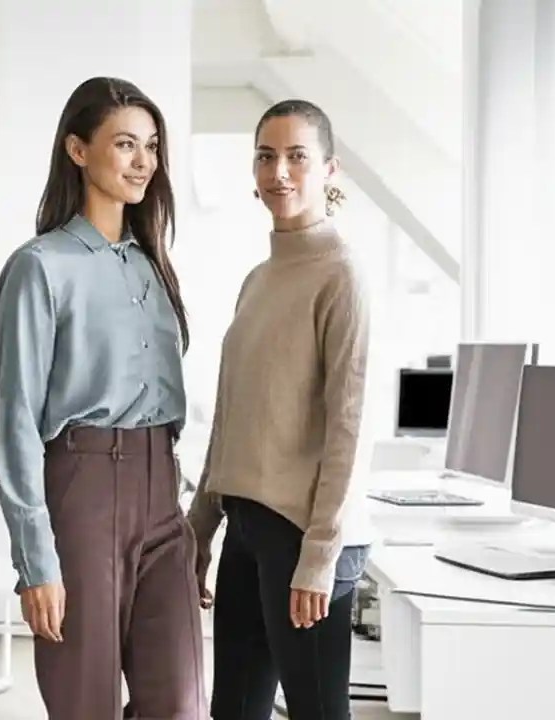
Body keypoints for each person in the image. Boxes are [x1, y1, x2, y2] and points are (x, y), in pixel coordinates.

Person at [0, 76, 205, 719]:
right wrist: (36, 562)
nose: (143, 161)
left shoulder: (151, 265)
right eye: (125, 144)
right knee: (86, 705)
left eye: (151, 146)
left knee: (182, 703)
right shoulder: (41, 266)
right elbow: (17, 423)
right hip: (83, 491)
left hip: (162, 496)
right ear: (78, 150)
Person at [186, 99, 372, 720]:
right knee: (233, 711)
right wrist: (200, 526)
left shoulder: (341, 277)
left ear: (330, 169)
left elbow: (350, 428)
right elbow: (234, 416)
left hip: (307, 538)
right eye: (266, 156)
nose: (279, 172)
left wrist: (319, 558)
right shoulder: (258, 279)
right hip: (248, 527)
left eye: (297, 156)